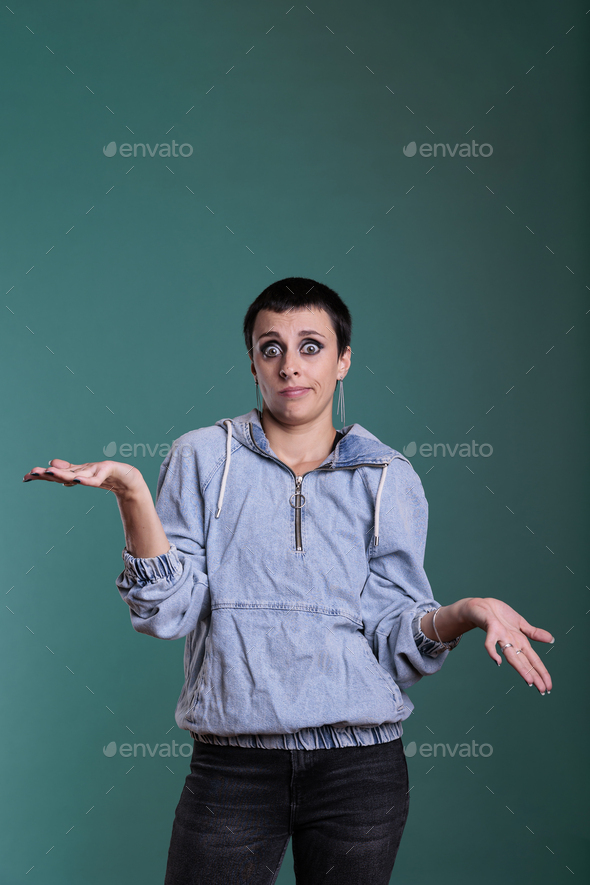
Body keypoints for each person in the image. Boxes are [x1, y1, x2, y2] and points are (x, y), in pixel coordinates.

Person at [23, 277, 554, 885]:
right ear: (252, 360)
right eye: (271, 347)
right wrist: (132, 493)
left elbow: (394, 634)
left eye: (311, 345)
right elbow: (167, 613)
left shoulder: (388, 476)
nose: (290, 365)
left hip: (361, 771)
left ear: (343, 359)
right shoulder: (201, 457)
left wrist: (467, 610)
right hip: (232, 769)